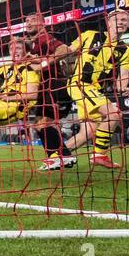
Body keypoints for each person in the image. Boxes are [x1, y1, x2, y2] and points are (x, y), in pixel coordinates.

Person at [62, 9, 129, 169]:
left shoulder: (126, 51)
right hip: (79, 84)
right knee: (114, 115)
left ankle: (57, 157)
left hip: (94, 89)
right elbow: (68, 50)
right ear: (108, 22)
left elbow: (123, 74)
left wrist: (123, 87)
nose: (121, 22)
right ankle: (99, 154)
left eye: (124, 20)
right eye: (117, 19)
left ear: (128, 25)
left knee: (88, 132)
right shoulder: (90, 35)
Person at [21, 12, 76, 171]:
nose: (29, 23)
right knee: (38, 123)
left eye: (33, 20)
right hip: (46, 88)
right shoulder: (33, 43)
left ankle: (62, 157)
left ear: (43, 23)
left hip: (56, 85)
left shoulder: (44, 37)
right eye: (27, 20)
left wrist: (43, 64)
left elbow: (65, 50)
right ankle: (59, 157)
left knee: (45, 122)